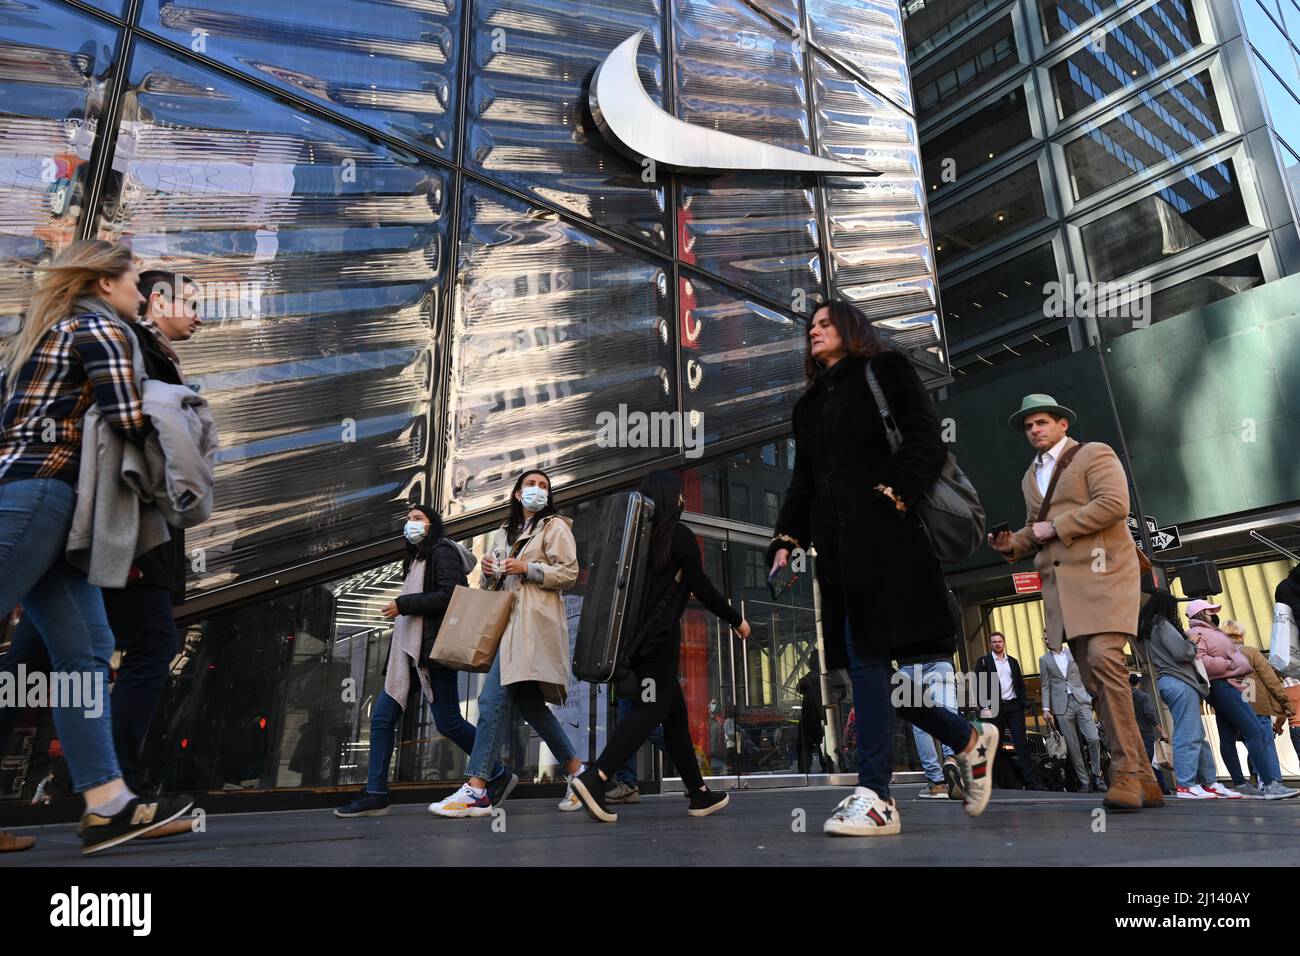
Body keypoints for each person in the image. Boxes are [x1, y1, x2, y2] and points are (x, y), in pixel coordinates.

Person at [761, 300, 998, 837]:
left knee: (868, 657)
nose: (815, 332)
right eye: (811, 327)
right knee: (862, 669)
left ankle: (877, 795)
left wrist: (892, 494)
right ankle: (966, 739)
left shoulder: (884, 370)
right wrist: (785, 538)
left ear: (851, 329)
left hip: (889, 543)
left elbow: (924, 438)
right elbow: (805, 483)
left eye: (825, 323)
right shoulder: (808, 406)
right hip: (838, 555)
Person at [0, 240, 192, 853]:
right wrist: (190, 425)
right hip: (39, 494)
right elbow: (129, 419)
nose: (142, 294)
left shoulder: (49, 329)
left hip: (48, 501)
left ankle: (108, 804)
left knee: (87, 651)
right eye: (136, 282)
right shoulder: (100, 328)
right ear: (105, 283)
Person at [989, 394, 1162, 811]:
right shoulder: (1029, 477)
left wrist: (1056, 525)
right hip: (1064, 590)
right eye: (1028, 425)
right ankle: (1146, 779)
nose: (1034, 429)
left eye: (1042, 422)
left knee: (1105, 661)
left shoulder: (1094, 454)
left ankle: (1123, 774)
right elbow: (1036, 530)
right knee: (1094, 684)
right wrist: (1011, 544)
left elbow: (1114, 505)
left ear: (1063, 424)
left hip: (1104, 576)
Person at [569, 470, 749, 822]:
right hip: (658, 643)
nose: (683, 500)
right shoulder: (677, 537)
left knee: (675, 718)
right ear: (670, 498)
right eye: (679, 494)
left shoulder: (636, 538)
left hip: (633, 642)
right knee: (649, 710)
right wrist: (736, 620)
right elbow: (703, 587)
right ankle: (596, 778)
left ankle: (699, 793)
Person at [430, 469, 583, 817]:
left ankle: (477, 788)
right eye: (530, 485)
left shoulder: (555, 526)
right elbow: (493, 586)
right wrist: (488, 571)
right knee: (531, 707)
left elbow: (569, 573)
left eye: (543, 486)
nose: (537, 490)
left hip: (532, 628)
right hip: (508, 627)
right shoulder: (503, 533)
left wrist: (527, 568)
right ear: (516, 494)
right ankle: (581, 774)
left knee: (490, 700)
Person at [334, 505, 486, 817]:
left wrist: (403, 604)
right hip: (408, 655)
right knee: (381, 719)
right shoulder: (416, 559)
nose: (411, 524)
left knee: (449, 723)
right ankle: (376, 793)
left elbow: (451, 595)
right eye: (408, 520)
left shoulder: (443, 551)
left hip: (432, 654)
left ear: (433, 524)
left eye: (418, 519)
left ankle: (495, 771)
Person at [1186, 600, 1296, 799]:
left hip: (1229, 688)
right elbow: (1201, 662)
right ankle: (1270, 784)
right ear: (1201, 614)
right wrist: (1232, 664)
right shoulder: (1199, 634)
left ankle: (1239, 782)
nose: (1214, 613)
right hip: (1225, 687)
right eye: (1210, 611)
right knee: (1255, 733)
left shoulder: (1205, 633)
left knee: (1228, 736)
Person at [1137, 590, 1235, 799]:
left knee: (1197, 734)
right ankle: (1186, 784)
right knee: (1188, 734)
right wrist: (1193, 642)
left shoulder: (1148, 627)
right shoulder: (1161, 624)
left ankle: (1208, 782)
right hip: (1179, 680)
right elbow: (1183, 652)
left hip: (1172, 681)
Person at [1221, 618, 1295, 795]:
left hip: (1230, 706)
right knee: (1265, 743)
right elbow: (1270, 679)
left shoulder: (1218, 655)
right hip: (1256, 705)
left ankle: (1247, 781)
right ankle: (1272, 782)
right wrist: (1285, 702)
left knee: (1241, 743)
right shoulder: (1251, 652)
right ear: (1242, 635)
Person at [972, 633, 1038, 789]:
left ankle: (1030, 782)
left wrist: (1022, 702)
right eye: (994, 642)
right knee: (995, 744)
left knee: (1022, 744)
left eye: (1000, 641)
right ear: (990, 644)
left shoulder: (1013, 662)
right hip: (995, 707)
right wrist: (984, 707)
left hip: (1014, 706)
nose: (997, 644)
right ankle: (994, 782)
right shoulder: (984, 661)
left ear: (1004, 642)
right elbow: (978, 686)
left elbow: (1020, 684)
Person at [1039, 637, 1104, 792]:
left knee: (1093, 738)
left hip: (1081, 701)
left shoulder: (1073, 653)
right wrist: (1046, 708)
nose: (1048, 639)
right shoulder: (1044, 660)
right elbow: (1045, 685)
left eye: (1050, 636)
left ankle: (1096, 774)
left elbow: (1087, 673)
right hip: (1062, 706)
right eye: (1045, 637)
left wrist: (1092, 694)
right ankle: (1085, 781)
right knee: (1073, 747)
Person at [1128, 673, 1168, 775]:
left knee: (1137, 763)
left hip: (1131, 735)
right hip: (1145, 735)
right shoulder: (1144, 697)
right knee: (1152, 763)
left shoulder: (1124, 699)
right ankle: (1163, 789)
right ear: (1138, 683)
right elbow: (1150, 716)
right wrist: (1162, 731)